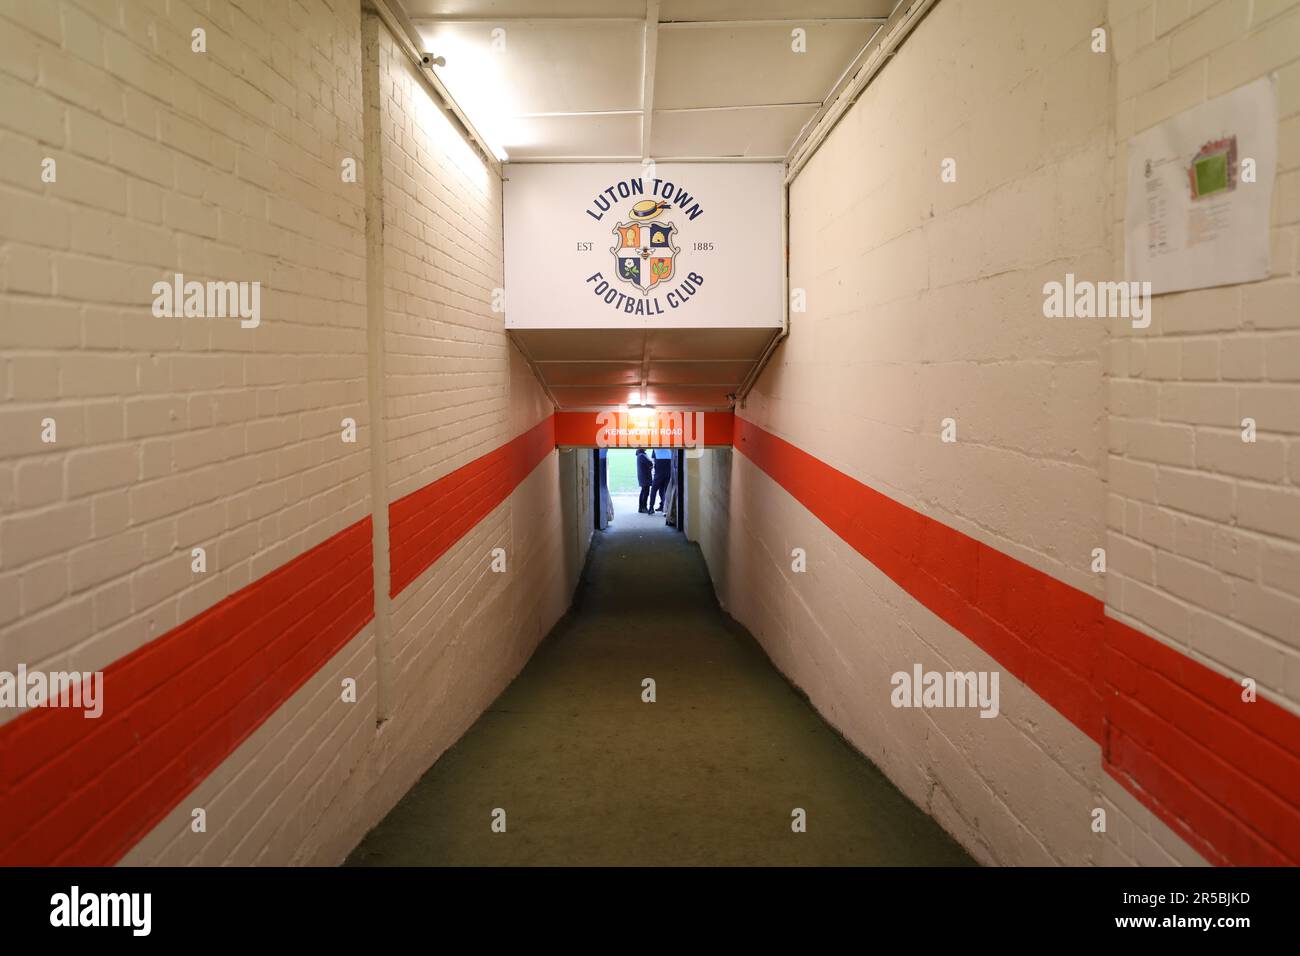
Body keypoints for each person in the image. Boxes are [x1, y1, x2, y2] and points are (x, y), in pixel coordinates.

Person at [649, 447, 672, 513]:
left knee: (654, 490)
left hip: (659, 473)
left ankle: (651, 507)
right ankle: (665, 508)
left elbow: (653, 460)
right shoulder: (669, 449)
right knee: (665, 490)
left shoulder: (655, 449)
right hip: (668, 472)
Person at [636, 448, 653, 513]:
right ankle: (643, 507)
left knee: (644, 491)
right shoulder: (642, 456)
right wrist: (651, 464)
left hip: (644, 476)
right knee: (645, 492)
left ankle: (641, 508)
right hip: (645, 476)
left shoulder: (640, 455)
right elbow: (650, 463)